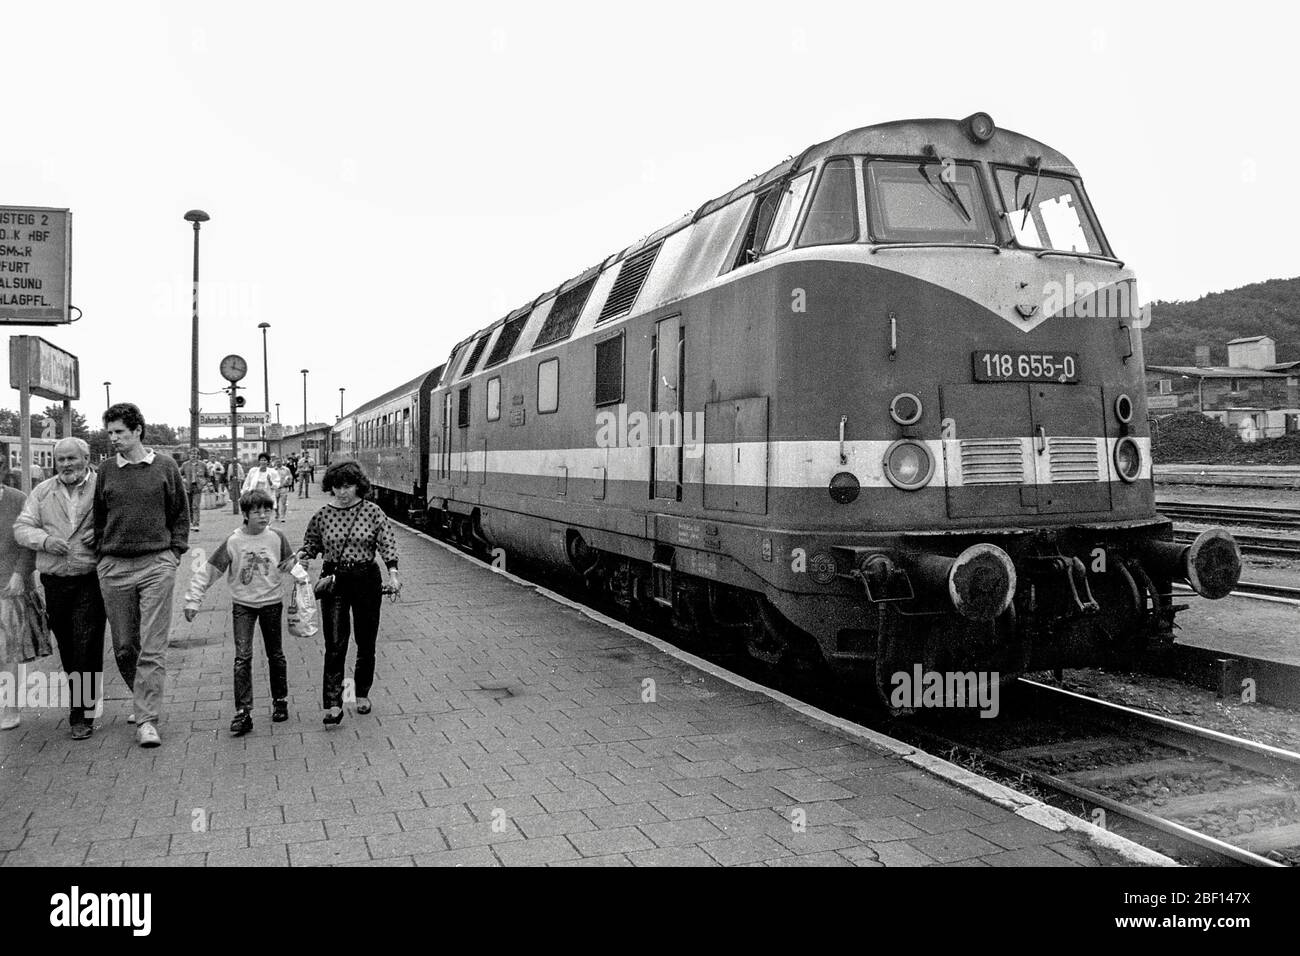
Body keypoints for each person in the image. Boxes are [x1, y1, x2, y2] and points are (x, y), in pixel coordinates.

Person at [92, 403, 188, 748]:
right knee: (123, 646)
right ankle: (141, 697)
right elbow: (99, 517)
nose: (114, 438)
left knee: (152, 645)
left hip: (156, 565)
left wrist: (174, 552)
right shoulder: (106, 471)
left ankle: (147, 719)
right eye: (110, 432)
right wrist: (103, 557)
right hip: (115, 567)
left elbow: (179, 511)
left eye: (119, 431)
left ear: (137, 431)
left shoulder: (165, 466)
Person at [14, 438, 105, 739]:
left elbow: (120, 518)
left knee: (86, 642)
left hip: (90, 577)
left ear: (86, 458)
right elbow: (22, 527)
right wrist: (44, 541)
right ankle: (85, 702)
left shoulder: (102, 486)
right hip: (54, 581)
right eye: (60, 459)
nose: (65, 465)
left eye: (71, 459)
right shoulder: (43, 491)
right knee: (68, 646)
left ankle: (81, 714)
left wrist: (103, 533)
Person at [184, 490, 296, 735]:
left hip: (271, 604)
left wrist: (303, 576)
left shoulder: (277, 537)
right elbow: (209, 571)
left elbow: (291, 565)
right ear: (245, 514)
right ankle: (243, 712)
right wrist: (194, 600)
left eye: (267, 510)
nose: (263, 516)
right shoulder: (233, 541)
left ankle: (280, 701)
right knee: (242, 657)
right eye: (256, 511)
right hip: (243, 605)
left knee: (275, 654)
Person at [298, 461, 399, 725]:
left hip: (366, 579)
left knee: (365, 642)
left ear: (358, 486)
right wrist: (303, 557)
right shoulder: (322, 515)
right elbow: (310, 543)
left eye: (348, 486)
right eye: (337, 486)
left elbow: (387, 542)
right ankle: (334, 702)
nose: (342, 492)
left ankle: (360, 693)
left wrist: (394, 574)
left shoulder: (373, 511)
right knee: (335, 644)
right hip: (335, 580)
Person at [0, 457, 40, 731]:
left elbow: (28, 541)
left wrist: (19, 574)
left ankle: (9, 708)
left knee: (7, 649)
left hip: (8, 584)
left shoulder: (17, 499)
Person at [180, 447, 207, 530]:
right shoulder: (185, 465)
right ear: (189, 455)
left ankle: (196, 524)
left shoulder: (202, 465)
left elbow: (208, 476)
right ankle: (191, 522)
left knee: (195, 506)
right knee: (188, 506)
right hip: (188, 487)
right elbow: (179, 474)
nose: (193, 456)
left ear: (198, 456)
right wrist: (183, 480)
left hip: (197, 487)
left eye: (195, 454)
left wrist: (204, 483)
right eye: (192, 454)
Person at [273, 457, 294, 522]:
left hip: (283, 488)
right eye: (277, 462)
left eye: (279, 462)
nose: (278, 463)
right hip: (275, 489)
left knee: (283, 503)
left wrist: (288, 484)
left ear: (282, 462)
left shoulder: (286, 469)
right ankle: (277, 514)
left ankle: (282, 516)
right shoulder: (272, 470)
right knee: (275, 503)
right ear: (275, 463)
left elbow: (290, 477)